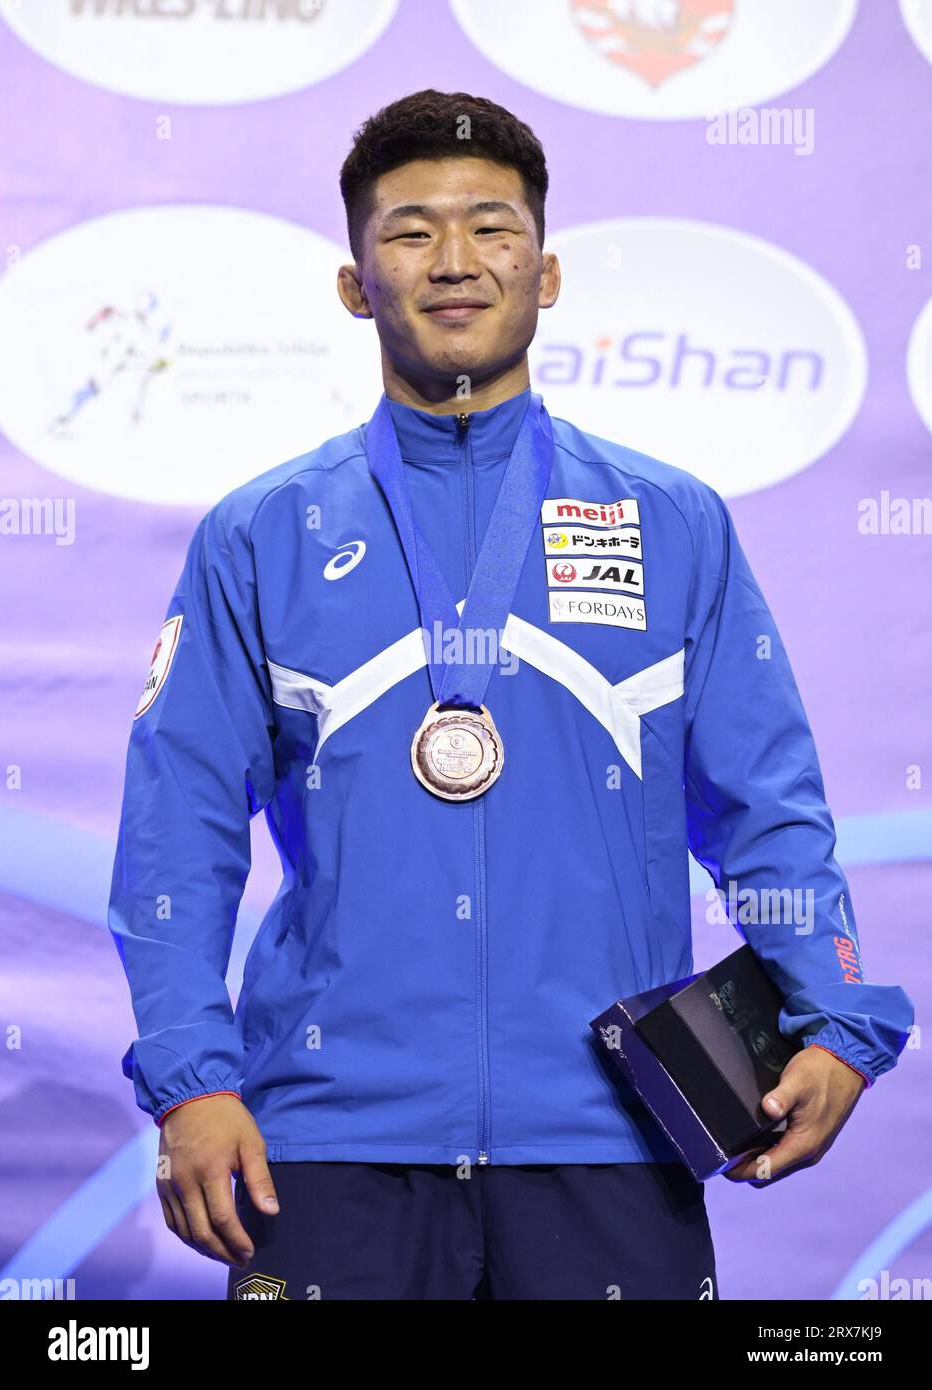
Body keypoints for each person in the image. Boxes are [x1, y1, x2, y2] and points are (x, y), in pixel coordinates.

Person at [108, 89, 913, 1302]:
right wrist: (191, 1079)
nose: (454, 263)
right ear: (352, 281)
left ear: (545, 274)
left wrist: (838, 1013)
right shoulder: (261, 534)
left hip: (610, 1141)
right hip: (329, 1145)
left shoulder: (670, 520)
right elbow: (180, 834)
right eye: (409, 232)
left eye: (492, 228)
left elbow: (765, 808)